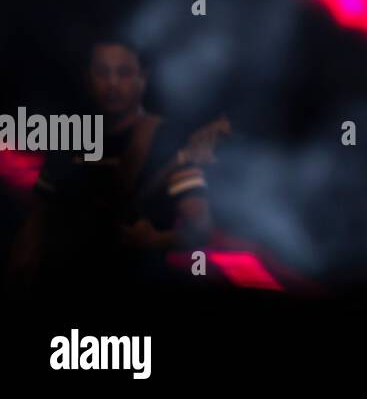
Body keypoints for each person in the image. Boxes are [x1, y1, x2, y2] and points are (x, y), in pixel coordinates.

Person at [5, 39, 214, 292]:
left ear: (142, 78)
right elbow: (38, 218)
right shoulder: (72, 137)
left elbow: (199, 228)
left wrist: (155, 240)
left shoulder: (165, 140)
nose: (112, 83)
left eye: (124, 73)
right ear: (88, 78)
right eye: (102, 72)